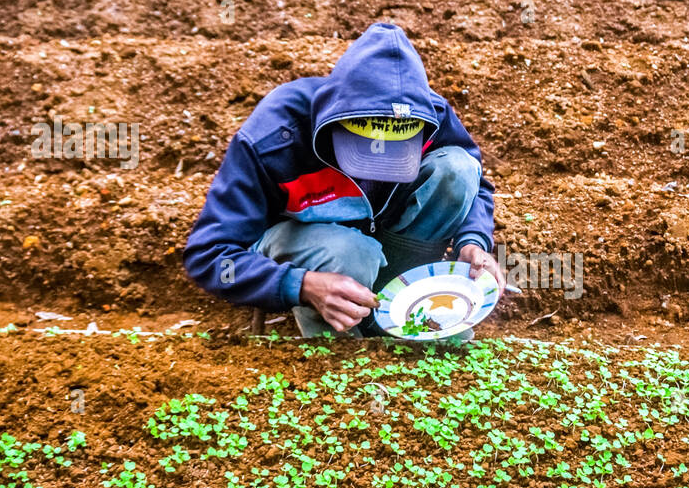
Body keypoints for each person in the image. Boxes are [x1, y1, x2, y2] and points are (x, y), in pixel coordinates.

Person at [183, 22, 503, 337]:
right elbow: (209, 255)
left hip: (393, 246)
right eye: (363, 154)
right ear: (335, 121)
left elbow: (475, 184)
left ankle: (394, 301)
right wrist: (301, 285)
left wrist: (473, 240)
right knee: (350, 252)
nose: (376, 172)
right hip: (314, 249)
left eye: (395, 155)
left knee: (457, 170)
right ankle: (339, 345)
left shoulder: (427, 116)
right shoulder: (273, 137)